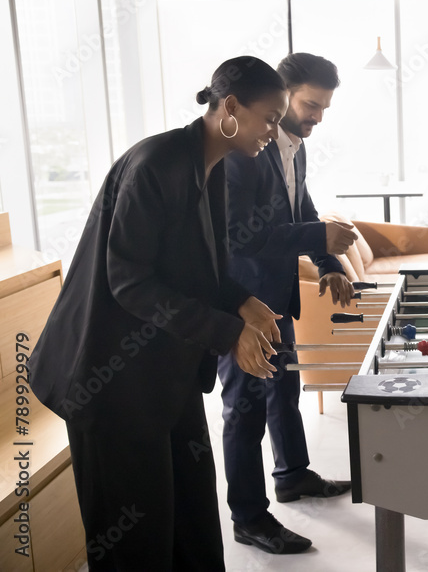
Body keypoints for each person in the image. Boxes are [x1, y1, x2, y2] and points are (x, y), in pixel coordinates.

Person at [27, 56, 289, 571]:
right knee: (136, 547)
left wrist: (241, 300)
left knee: (193, 530)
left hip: (164, 376)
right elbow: (130, 281)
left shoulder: (209, 163)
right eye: (271, 118)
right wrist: (228, 331)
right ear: (231, 107)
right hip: (107, 384)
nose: (273, 132)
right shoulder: (157, 162)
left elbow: (196, 272)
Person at [219, 52, 357, 555]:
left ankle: (293, 475)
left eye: (324, 108)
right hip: (242, 301)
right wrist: (319, 233)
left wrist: (327, 263)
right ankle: (250, 518)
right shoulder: (241, 152)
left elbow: (302, 209)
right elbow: (240, 237)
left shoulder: (295, 148)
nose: (317, 116)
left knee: (285, 392)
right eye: (310, 104)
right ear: (282, 93)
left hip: (279, 296)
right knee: (245, 410)